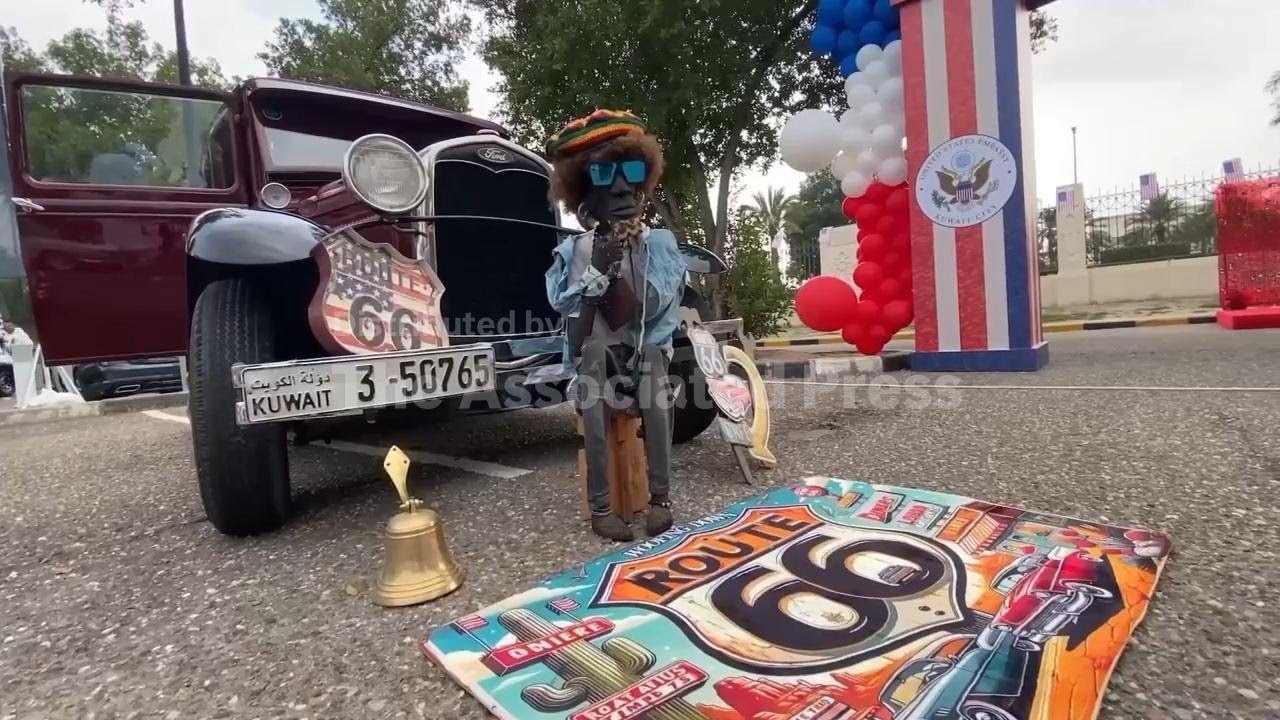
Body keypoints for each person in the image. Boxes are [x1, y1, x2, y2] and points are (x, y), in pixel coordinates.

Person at [544, 109, 686, 542]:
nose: (624, 187)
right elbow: (576, 331)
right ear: (587, 195)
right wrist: (597, 272)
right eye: (607, 174)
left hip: (643, 352)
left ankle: (661, 500)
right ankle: (602, 509)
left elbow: (651, 316)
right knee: (590, 371)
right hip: (597, 354)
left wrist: (624, 260)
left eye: (633, 171)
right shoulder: (574, 252)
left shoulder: (659, 245)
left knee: (655, 374)